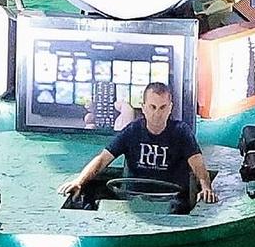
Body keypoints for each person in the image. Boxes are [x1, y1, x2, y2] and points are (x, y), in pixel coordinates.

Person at [59, 82, 217, 205]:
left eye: (162, 108)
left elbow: (198, 164)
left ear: (170, 108)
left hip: (171, 201)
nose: (157, 113)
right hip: (132, 201)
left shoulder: (182, 132)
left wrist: (206, 187)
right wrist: (79, 182)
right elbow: (102, 160)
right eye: (152, 107)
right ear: (143, 108)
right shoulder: (132, 131)